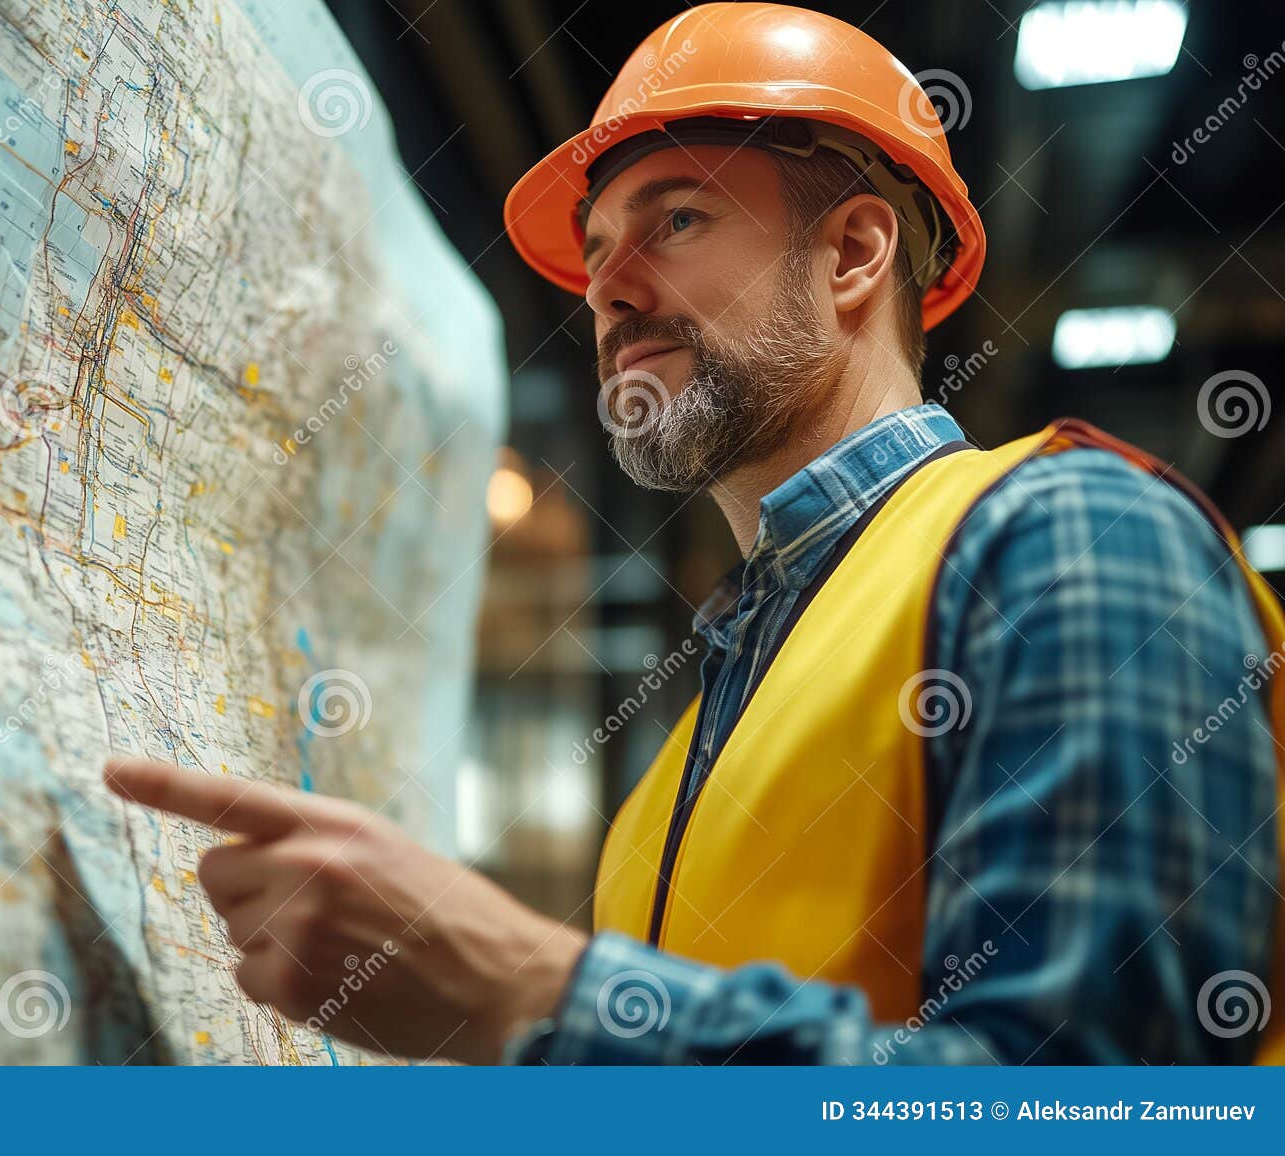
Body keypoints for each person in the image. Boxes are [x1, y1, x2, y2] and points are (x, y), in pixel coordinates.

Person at [105, 3, 1285, 1065]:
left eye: (674, 218)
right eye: (597, 246)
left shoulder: (1068, 535)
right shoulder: (683, 755)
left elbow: (1095, 1105)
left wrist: (531, 989)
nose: (608, 289)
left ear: (854, 254)